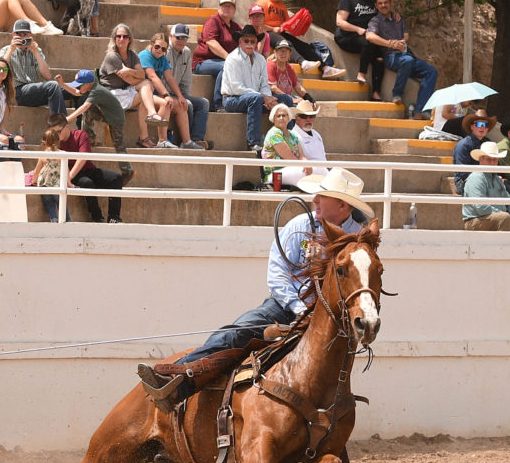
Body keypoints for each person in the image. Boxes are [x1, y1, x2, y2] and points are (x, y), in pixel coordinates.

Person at [137, 169, 373, 408]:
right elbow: (278, 273)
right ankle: (178, 377)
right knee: (237, 332)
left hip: (331, 317)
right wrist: (300, 307)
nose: (315, 200)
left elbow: (361, 283)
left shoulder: (359, 238)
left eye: (323, 196)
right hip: (286, 306)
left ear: (342, 206)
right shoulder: (301, 225)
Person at [365, 0, 437, 116]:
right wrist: (390, 44)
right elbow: (370, 36)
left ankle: (421, 109)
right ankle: (397, 93)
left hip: (406, 55)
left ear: (391, 3)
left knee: (432, 71)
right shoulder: (375, 21)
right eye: (380, 3)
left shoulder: (399, 19)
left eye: (386, 2)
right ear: (376, 6)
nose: (383, 5)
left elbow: (406, 35)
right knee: (407, 61)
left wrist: (401, 41)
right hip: (391, 57)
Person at [220, 27, 291, 151]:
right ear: (240, 42)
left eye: (253, 41)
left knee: (286, 100)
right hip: (232, 99)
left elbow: (264, 84)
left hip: (256, 98)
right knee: (256, 98)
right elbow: (236, 88)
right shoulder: (232, 59)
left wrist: (268, 98)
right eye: (246, 41)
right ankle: (253, 143)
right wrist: (264, 97)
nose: (249, 44)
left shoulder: (260, 59)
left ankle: (287, 139)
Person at [255, 0, 341, 76]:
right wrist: (273, 28)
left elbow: (286, 24)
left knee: (303, 46)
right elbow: (257, 25)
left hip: (280, 33)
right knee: (286, 43)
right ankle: (303, 63)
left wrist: (294, 25)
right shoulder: (261, 4)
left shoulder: (282, 6)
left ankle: (325, 68)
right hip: (266, 33)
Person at [49, 112, 125, 223]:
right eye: (53, 132)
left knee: (116, 178)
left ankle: (114, 217)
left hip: (84, 170)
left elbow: (82, 158)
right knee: (86, 183)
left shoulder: (80, 135)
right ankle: (97, 217)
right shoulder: (53, 141)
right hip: (69, 173)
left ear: (67, 127)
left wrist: (68, 178)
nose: (56, 135)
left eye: (58, 131)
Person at [135, 29, 201, 150]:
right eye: (157, 46)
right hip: (141, 94)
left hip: (154, 94)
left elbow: (170, 78)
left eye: (163, 49)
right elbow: (152, 76)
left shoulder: (162, 58)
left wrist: (180, 96)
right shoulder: (145, 55)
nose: (160, 50)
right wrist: (166, 95)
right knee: (166, 103)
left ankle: (187, 142)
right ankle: (162, 140)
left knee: (181, 105)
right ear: (151, 44)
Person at [0, 19, 67, 125]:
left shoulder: (36, 50)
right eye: (18, 34)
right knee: (53, 86)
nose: (22, 37)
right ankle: (59, 126)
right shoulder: (6, 50)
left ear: (30, 35)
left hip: (34, 91)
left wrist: (35, 52)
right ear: (12, 35)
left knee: (72, 89)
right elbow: (0, 72)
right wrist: (11, 49)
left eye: (25, 34)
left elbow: (47, 76)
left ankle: (65, 127)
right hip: (17, 92)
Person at [333, 0, 383, 96]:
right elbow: (340, 22)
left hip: (367, 36)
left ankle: (376, 92)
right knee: (368, 42)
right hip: (347, 36)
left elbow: (381, 15)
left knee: (380, 58)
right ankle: (361, 73)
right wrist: (358, 29)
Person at [162, 23, 209, 149]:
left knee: (203, 103)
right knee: (187, 104)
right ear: (171, 36)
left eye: (184, 38)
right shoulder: (164, 50)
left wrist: (183, 96)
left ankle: (196, 139)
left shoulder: (187, 52)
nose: (181, 41)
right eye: (178, 37)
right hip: (163, 93)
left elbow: (186, 80)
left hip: (177, 92)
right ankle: (186, 141)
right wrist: (179, 98)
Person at [191, 0, 240, 112]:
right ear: (219, 8)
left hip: (221, 62)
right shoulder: (213, 21)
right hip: (202, 62)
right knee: (227, 66)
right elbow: (211, 43)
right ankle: (218, 104)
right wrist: (229, 58)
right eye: (224, 6)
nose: (227, 8)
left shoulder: (235, 27)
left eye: (230, 6)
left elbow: (243, 44)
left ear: (235, 10)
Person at [462, 142, 510, 232]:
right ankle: (503, 245)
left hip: (492, 217)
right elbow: (480, 207)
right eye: (489, 160)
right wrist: (507, 216)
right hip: (475, 220)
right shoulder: (476, 178)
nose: (493, 163)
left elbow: (509, 202)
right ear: (481, 159)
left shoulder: (496, 179)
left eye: (495, 160)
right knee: (504, 218)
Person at [275, 100, 330, 190]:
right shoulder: (293, 135)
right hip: (307, 172)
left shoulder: (316, 134)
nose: (308, 119)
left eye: (311, 116)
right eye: (304, 116)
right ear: (297, 118)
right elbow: (294, 161)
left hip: (320, 171)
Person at [450, 111, 495, 193]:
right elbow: (462, 172)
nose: (482, 127)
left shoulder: (489, 143)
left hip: (487, 179)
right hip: (464, 182)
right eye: (478, 124)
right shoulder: (463, 145)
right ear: (471, 127)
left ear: (487, 128)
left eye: (485, 125)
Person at [265, 35, 310, 109]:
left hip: (288, 97)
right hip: (274, 97)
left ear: (290, 54)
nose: (283, 53)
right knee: (297, 106)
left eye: (286, 51)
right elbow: (273, 88)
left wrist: (310, 99)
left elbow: (298, 87)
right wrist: (292, 99)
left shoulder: (289, 68)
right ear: (275, 53)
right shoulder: (270, 65)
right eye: (280, 50)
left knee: (307, 104)